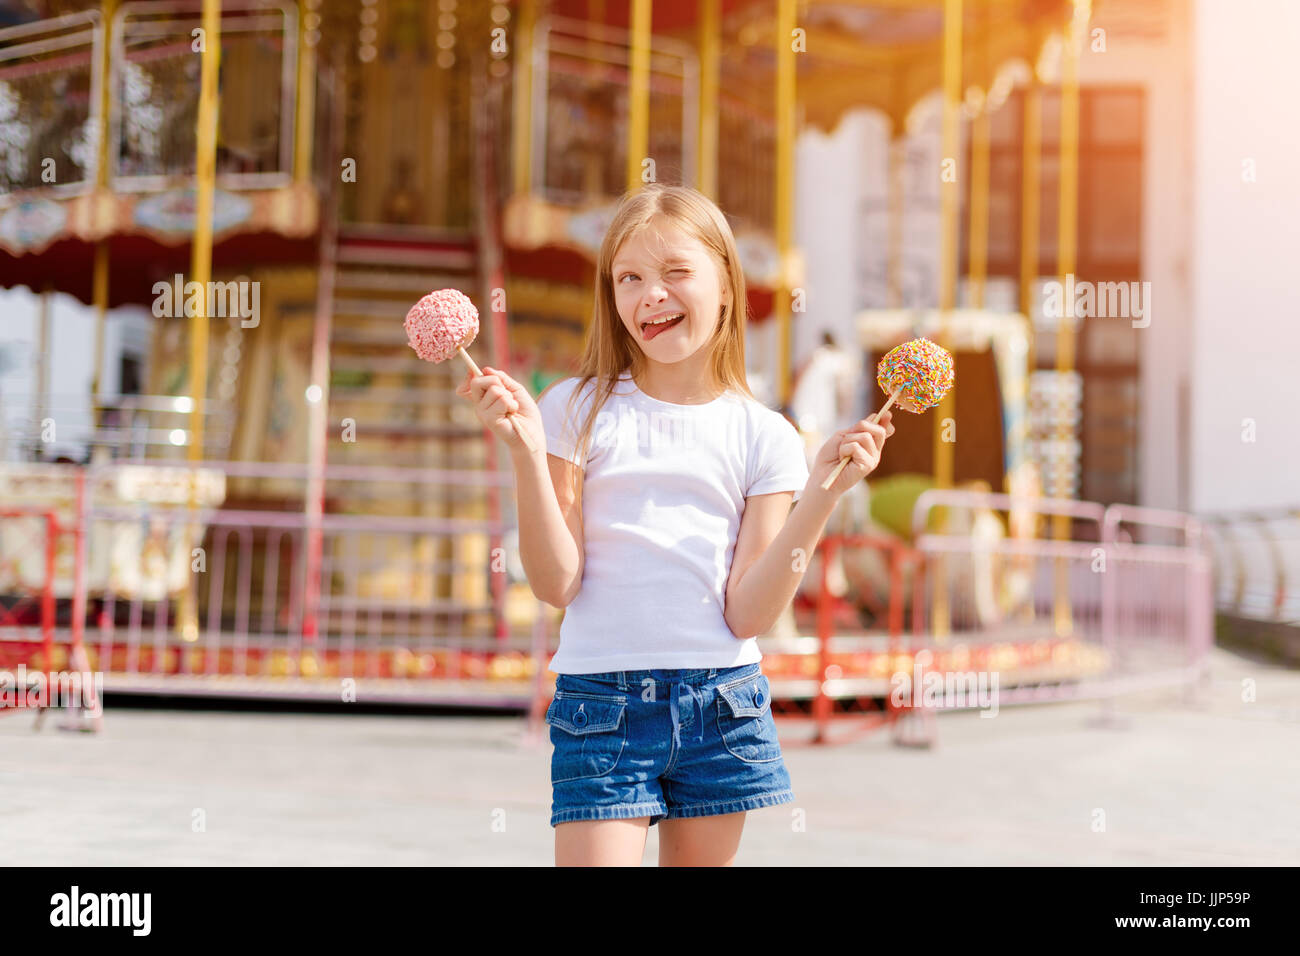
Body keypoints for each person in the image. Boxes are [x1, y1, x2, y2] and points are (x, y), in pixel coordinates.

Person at [455, 184, 894, 866]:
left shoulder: (766, 435)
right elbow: (555, 582)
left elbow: (747, 612)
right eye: (629, 278)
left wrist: (822, 496)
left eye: (675, 273)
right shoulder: (573, 408)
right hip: (602, 704)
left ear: (727, 284)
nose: (649, 295)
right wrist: (524, 456)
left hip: (722, 704)